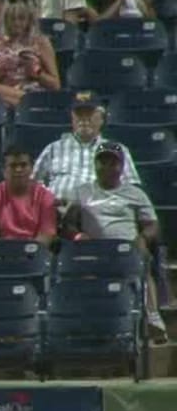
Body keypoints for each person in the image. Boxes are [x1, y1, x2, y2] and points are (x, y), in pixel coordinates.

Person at [62, 141, 168, 344]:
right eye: (103, 162)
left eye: (113, 163)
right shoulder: (81, 192)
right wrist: (77, 236)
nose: (108, 167)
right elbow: (68, 225)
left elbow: (153, 224)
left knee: (143, 259)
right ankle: (86, 324)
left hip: (127, 249)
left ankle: (153, 319)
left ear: (121, 166)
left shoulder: (135, 194)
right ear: (95, 165)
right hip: (93, 249)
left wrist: (143, 237)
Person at [33, 95, 143, 212]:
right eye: (79, 114)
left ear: (102, 119)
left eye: (89, 114)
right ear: (72, 118)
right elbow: (33, 184)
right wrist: (47, 200)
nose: (84, 119)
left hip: (101, 213)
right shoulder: (53, 148)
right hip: (56, 212)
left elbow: (132, 188)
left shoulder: (116, 149)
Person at [0, 0, 61, 108]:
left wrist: (36, 73)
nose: (17, 23)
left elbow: (56, 85)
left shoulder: (41, 42)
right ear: (5, 19)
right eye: (12, 19)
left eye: (21, 18)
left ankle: (30, 106)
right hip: (2, 97)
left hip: (33, 93)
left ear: (29, 20)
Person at [0, 145, 58, 245]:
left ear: (32, 168)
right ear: (3, 170)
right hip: (0, 252)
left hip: (34, 254)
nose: (19, 169)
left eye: (23, 165)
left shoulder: (45, 196)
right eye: (13, 166)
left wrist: (27, 253)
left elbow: (46, 235)